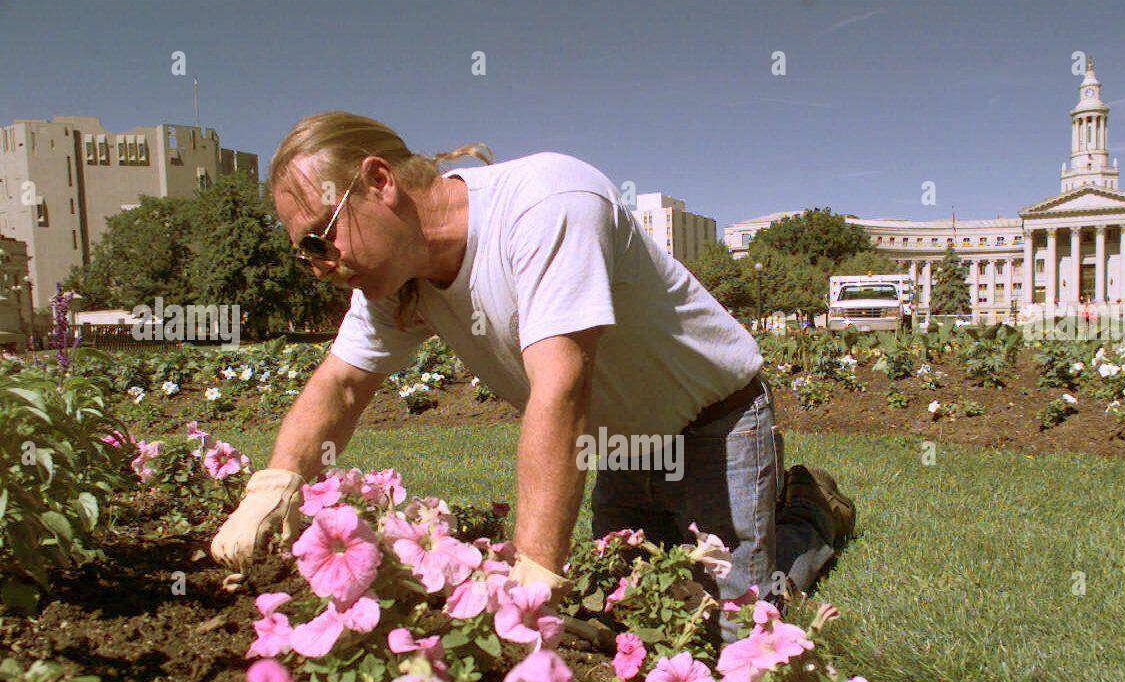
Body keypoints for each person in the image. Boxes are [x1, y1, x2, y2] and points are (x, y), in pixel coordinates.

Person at [210, 112, 854, 622]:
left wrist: (533, 575)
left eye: (322, 238)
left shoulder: (547, 202)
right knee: (631, 609)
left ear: (380, 182)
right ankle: (775, 526)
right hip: (621, 447)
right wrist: (273, 488)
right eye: (306, 255)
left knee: (733, 624)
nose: (322, 265)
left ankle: (808, 514)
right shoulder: (397, 279)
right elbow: (342, 385)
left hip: (717, 423)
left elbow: (561, 386)